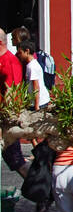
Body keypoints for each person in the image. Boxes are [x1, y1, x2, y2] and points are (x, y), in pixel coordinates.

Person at [0, 28, 28, 181]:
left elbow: (11, 94)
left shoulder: (9, 62)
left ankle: (42, 191)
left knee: (16, 160)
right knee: (14, 159)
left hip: (5, 119)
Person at [17, 37, 50, 108]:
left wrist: (36, 106)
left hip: (40, 102)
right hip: (37, 101)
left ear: (27, 51)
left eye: (20, 53)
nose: (19, 55)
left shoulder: (32, 67)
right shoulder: (31, 64)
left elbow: (36, 86)